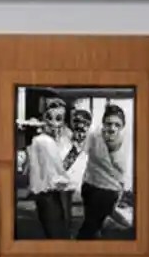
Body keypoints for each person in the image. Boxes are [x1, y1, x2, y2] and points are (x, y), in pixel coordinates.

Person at [76, 104, 131, 240]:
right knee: (92, 224)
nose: (112, 128)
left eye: (117, 125)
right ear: (103, 123)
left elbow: (125, 170)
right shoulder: (94, 135)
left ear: (123, 126)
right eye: (108, 123)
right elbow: (77, 150)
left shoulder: (127, 140)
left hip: (110, 190)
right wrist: (61, 170)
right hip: (90, 186)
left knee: (90, 227)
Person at [24, 98, 76, 238]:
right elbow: (57, 171)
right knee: (57, 230)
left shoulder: (56, 140)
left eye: (58, 118)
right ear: (44, 118)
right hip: (50, 192)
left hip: (54, 192)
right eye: (49, 118)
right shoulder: (43, 141)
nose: (53, 123)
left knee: (59, 227)